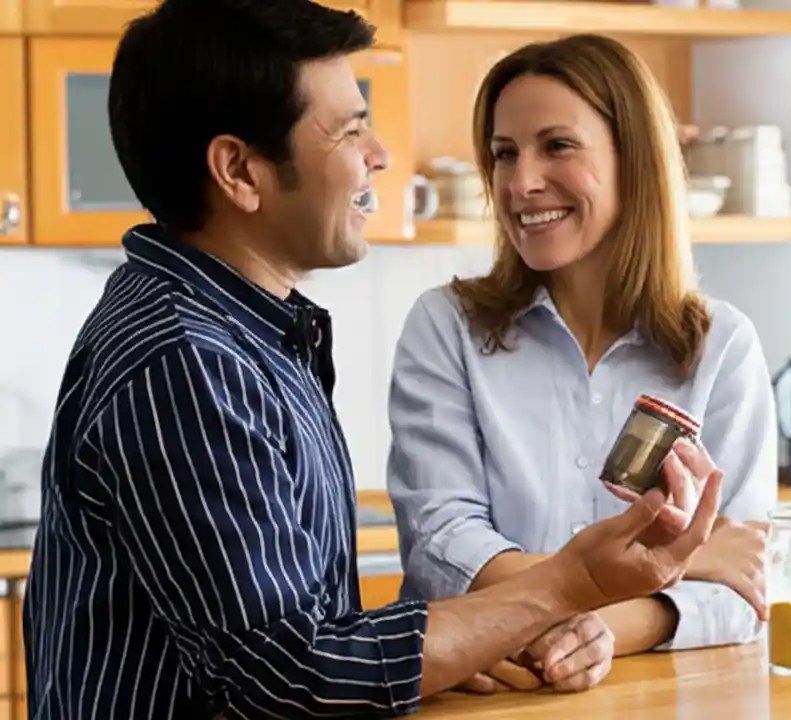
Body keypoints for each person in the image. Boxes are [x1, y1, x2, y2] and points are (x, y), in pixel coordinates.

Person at [21, 3, 724, 718]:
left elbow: (306, 643)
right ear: (239, 170)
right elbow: (292, 678)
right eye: (349, 129)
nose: (379, 154)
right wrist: (565, 585)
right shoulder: (186, 364)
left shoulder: (249, 335)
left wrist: (457, 647)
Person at [386, 34, 778, 694]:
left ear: (636, 160)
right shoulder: (446, 327)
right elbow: (444, 545)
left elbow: (744, 589)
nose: (521, 182)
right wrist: (683, 562)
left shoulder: (724, 347)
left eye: (556, 145)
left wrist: (597, 631)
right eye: (504, 154)